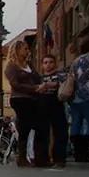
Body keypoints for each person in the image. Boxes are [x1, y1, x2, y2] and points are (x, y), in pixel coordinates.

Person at [5, 39, 41, 168]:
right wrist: (34, 88)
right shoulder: (11, 66)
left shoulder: (29, 65)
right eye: (25, 49)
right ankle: (22, 157)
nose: (27, 51)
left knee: (37, 126)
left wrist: (41, 85)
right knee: (25, 127)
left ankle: (36, 156)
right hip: (20, 98)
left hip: (33, 98)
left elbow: (37, 78)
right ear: (17, 50)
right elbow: (15, 84)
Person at [32, 53, 69, 168]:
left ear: (55, 63)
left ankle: (59, 159)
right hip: (42, 105)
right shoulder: (39, 77)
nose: (48, 65)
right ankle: (42, 159)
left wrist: (48, 85)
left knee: (60, 131)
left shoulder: (60, 74)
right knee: (42, 132)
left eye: (51, 62)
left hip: (56, 104)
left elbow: (64, 84)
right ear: (42, 65)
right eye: (45, 62)